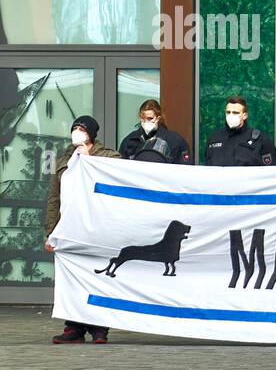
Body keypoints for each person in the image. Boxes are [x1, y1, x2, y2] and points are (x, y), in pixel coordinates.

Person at [44, 116, 120, 344]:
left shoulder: (108, 156)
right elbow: (54, 198)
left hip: (97, 228)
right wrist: (51, 231)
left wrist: (91, 162)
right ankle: (73, 327)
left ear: (91, 134)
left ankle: (99, 328)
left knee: (96, 275)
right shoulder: (64, 159)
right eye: (74, 128)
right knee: (71, 278)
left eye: (81, 129)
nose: (77, 132)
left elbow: (118, 181)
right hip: (69, 228)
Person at [204, 96, 276, 167]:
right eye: (228, 112)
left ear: (244, 115)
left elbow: (271, 172)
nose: (231, 115)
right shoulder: (214, 138)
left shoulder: (260, 140)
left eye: (235, 113)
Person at [119, 100, 191, 165]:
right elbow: (120, 168)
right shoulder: (129, 140)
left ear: (158, 118)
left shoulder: (174, 141)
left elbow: (184, 170)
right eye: (142, 118)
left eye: (150, 118)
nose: (146, 121)